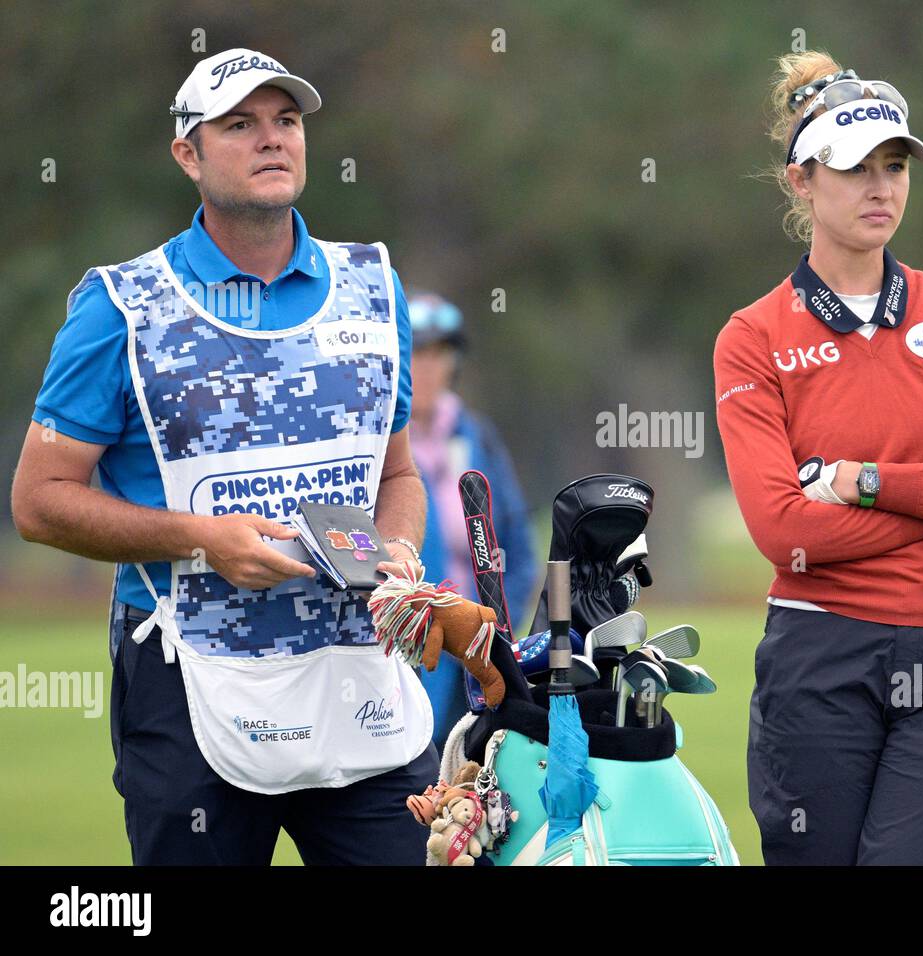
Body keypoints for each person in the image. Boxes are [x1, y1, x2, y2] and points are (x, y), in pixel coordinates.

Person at [11, 48, 436, 865]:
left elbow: (400, 475)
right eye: (239, 125)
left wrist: (399, 551)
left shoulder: (374, 286)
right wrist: (202, 539)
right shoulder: (119, 308)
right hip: (188, 691)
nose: (270, 140)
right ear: (188, 154)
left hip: (361, 684)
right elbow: (39, 500)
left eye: (286, 122)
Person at [713, 51, 923, 865]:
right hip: (819, 654)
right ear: (802, 179)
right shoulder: (752, 338)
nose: (880, 186)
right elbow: (785, 531)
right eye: (855, 166)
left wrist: (861, 484)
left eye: (894, 165)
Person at [405, 290, 537, 750]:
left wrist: (501, 627)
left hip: (482, 643)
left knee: (480, 782)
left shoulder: (476, 436)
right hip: (413, 648)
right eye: (415, 352)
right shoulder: (382, 439)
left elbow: (517, 542)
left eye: (437, 353)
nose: (426, 367)